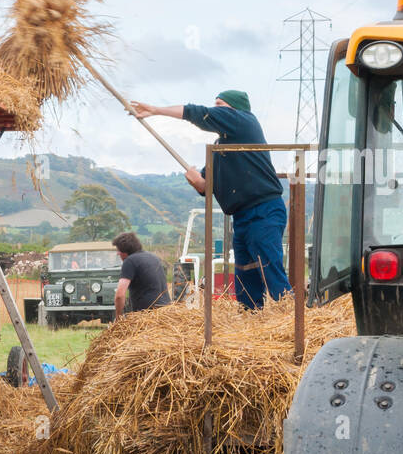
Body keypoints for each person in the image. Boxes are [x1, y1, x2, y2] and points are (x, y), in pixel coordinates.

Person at [129, 90, 293, 309]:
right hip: (241, 216)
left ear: (235, 109)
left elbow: (199, 113)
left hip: (264, 210)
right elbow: (206, 187)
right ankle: (250, 317)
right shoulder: (219, 148)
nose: (215, 109)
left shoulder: (245, 122)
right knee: (245, 275)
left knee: (269, 267)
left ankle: (289, 313)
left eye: (220, 104)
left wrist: (156, 110)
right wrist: (195, 180)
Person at [111, 232, 169, 316]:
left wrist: (118, 317)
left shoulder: (130, 261)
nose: (117, 253)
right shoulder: (154, 257)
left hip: (147, 315)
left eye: (119, 250)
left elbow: (119, 295)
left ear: (124, 250)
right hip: (166, 312)